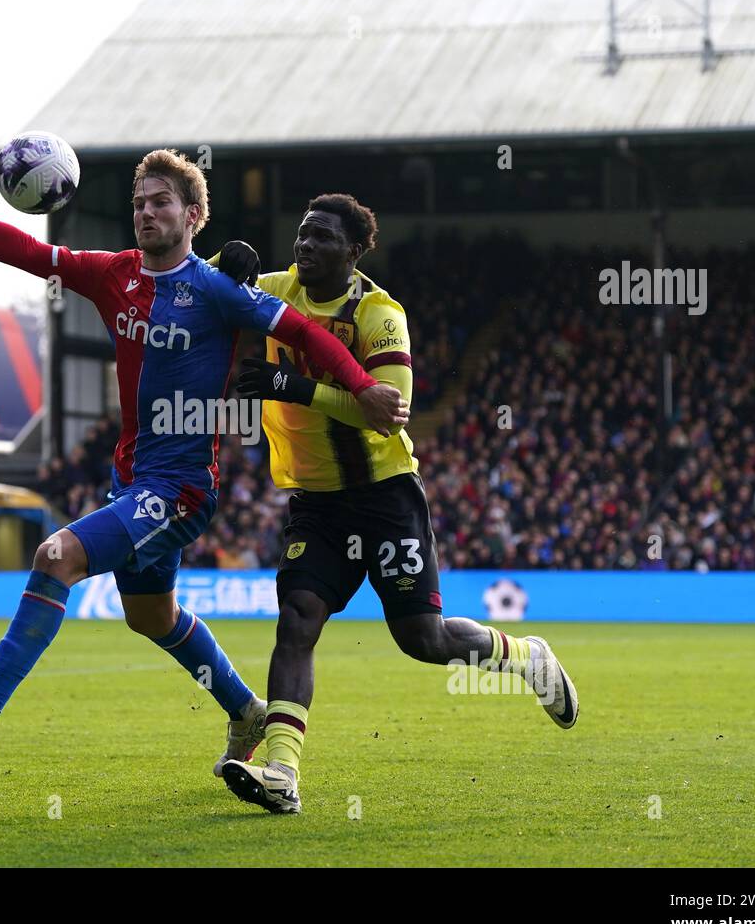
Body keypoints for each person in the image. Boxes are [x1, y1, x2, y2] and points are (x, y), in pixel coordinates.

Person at [0, 148, 408, 770]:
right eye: (139, 203)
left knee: (56, 555)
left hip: (181, 487)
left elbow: (307, 332)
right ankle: (246, 712)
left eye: (161, 202)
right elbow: (21, 250)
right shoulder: (113, 275)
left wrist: (363, 387)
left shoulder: (218, 291)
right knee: (152, 616)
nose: (146, 212)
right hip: (131, 479)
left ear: (194, 215)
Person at [212, 194, 579, 814]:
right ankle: (282, 771)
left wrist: (295, 386)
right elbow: (198, 283)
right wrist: (225, 262)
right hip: (317, 503)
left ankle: (527, 657)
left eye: (323, 237)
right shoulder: (276, 288)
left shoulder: (379, 315)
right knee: (297, 619)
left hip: (384, 495)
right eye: (302, 233)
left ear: (353, 252)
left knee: (423, 639)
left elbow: (389, 411)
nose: (305, 245)